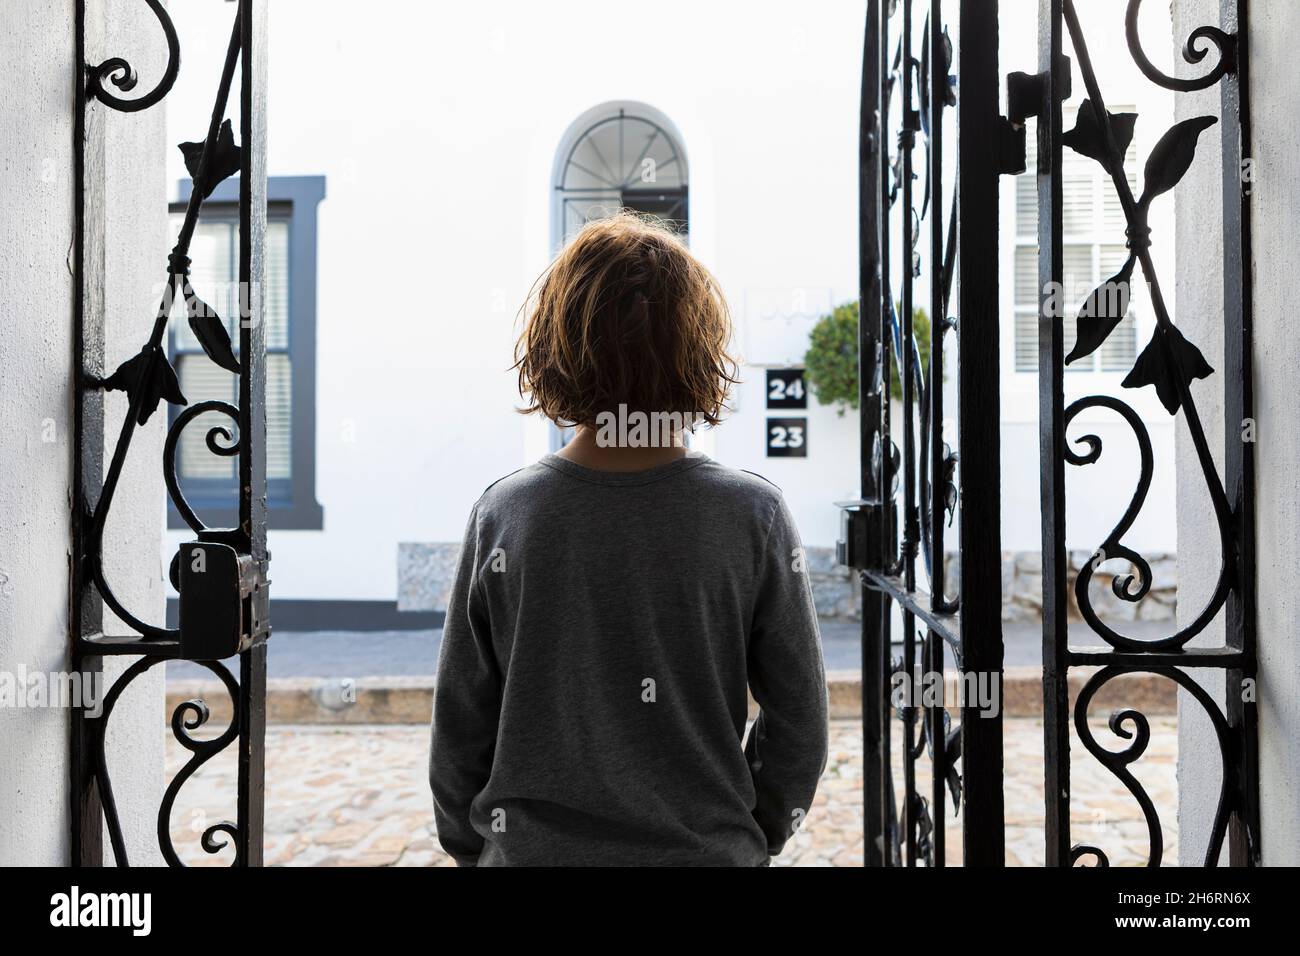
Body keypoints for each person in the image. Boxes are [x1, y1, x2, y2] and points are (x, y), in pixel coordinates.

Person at [429, 212, 828, 866]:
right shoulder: (753, 515)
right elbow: (801, 725)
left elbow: (460, 728)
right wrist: (744, 836)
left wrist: (479, 850)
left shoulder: (506, 514)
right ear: (697, 348)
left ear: (556, 344)